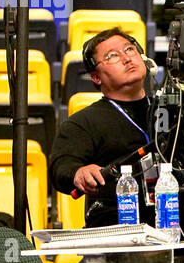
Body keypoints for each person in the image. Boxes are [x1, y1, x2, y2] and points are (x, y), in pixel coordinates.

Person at [49, 29, 152, 231]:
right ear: (96, 77)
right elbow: (61, 167)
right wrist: (78, 172)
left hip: (175, 222)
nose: (126, 58)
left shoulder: (174, 112)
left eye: (129, 49)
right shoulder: (82, 122)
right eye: (112, 56)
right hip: (116, 230)